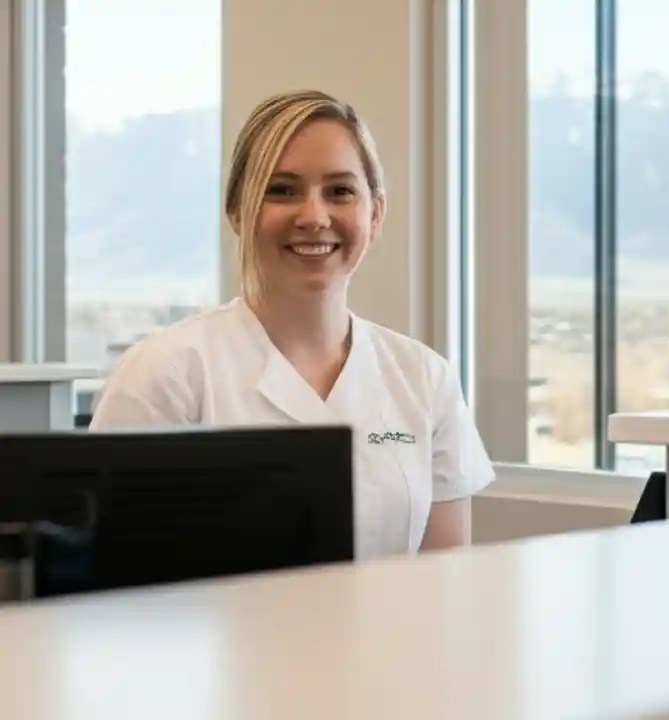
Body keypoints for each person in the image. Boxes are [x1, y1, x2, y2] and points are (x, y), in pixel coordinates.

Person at [90, 90, 494, 559]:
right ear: (238, 212)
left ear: (375, 213)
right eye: (282, 190)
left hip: (392, 635)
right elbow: (112, 588)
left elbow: (442, 586)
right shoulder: (167, 374)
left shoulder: (425, 378)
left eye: (340, 191)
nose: (314, 216)